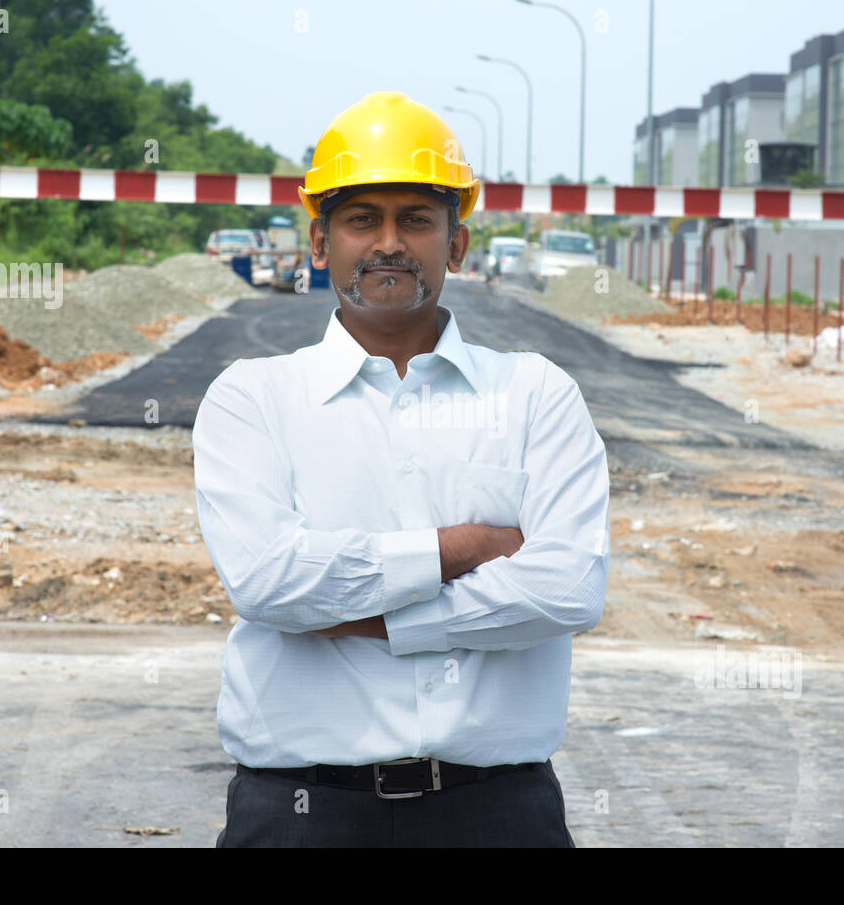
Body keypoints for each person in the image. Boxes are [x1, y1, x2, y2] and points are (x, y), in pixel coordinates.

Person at [193, 91, 610, 847]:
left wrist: (363, 616)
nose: (389, 242)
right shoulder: (252, 399)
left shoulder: (535, 394)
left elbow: (568, 588)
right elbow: (267, 580)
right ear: (320, 242)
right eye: (363, 220)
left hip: (500, 813)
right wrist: (463, 548)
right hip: (301, 814)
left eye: (416, 219)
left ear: (456, 244)